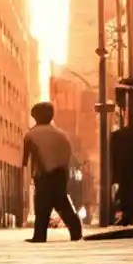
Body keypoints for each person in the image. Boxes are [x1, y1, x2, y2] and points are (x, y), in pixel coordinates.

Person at [23, 102, 83, 243]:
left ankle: (40, 235)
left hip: (43, 175)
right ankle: (76, 232)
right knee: (63, 204)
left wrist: (34, 173)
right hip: (60, 174)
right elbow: (67, 156)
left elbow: (27, 159)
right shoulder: (62, 135)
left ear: (34, 116)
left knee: (42, 207)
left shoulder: (30, 135)